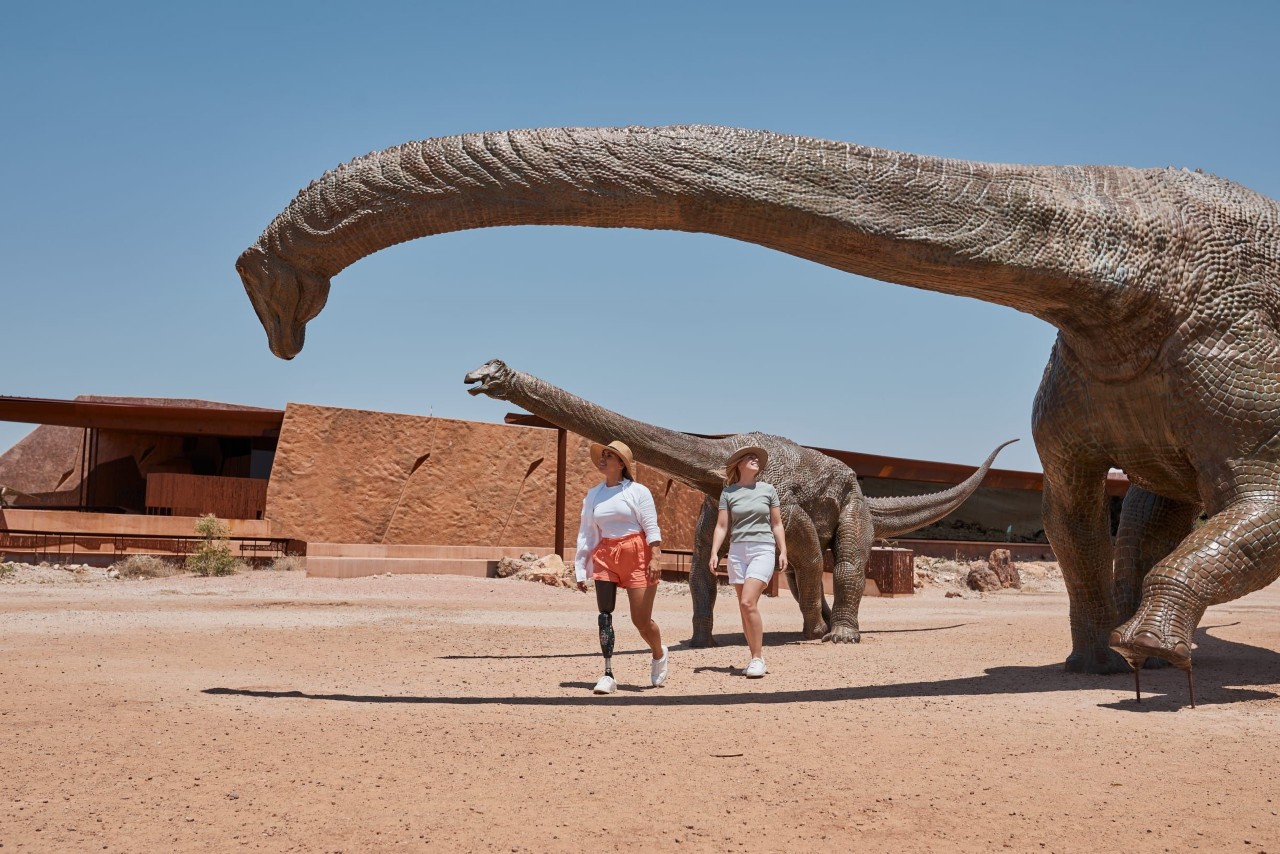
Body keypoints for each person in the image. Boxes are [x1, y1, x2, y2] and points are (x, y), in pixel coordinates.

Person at [574, 439, 668, 694]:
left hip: (637, 553)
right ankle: (607, 674)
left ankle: (658, 653)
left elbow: (651, 526)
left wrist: (655, 557)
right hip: (606, 554)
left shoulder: (638, 491)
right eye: (602, 455)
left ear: (621, 464)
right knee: (604, 615)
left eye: (609, 456)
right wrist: (581, 568)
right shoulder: (594, 494)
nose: (602, 459)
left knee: (641, 621)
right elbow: (586, 532)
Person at [708, 446, 787, 678]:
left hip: (763, 549)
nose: (755, 460)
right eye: (750, 457)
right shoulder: (728, 493)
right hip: (737, 552)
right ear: (739, 464)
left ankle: (758, 658)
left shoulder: (768, 490)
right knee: (744, 608)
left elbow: (777, 524)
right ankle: (755, 658)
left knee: (747, 602)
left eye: (757, 458)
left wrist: (783, 550)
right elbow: (722, 526)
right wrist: (714, 552)